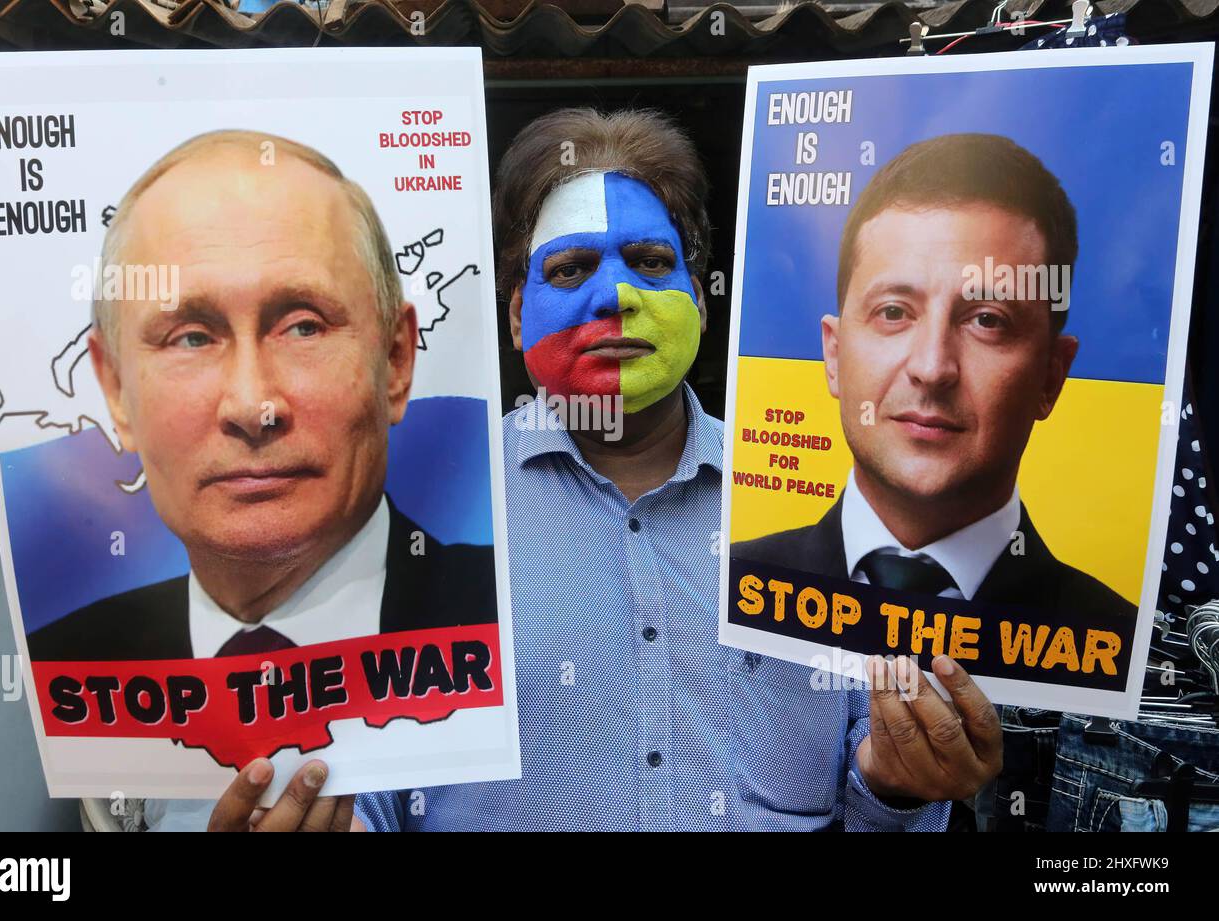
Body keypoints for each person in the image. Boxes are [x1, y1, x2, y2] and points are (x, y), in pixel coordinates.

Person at [205, 110, 1002, 833]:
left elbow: (879, 778)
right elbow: (368, 784)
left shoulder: (828, 497)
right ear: (517, 314)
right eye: (570, 268)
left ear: (698, 295)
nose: (615, 297)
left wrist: (899, 785)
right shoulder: (419, 514)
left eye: (652, 263)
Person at [27, 130, 496, 664]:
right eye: (193, 338)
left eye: (303, 328)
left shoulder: (530, 629)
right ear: (114, 389)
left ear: (395, 361)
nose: (253, 408)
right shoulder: (64, 668)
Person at [735, 134, 1135, 621]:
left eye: (987, 320)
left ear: (1051, 377)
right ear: (834, 355)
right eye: (894, 311)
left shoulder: (1117, 640)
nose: (931, 368)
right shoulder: (731, 588)